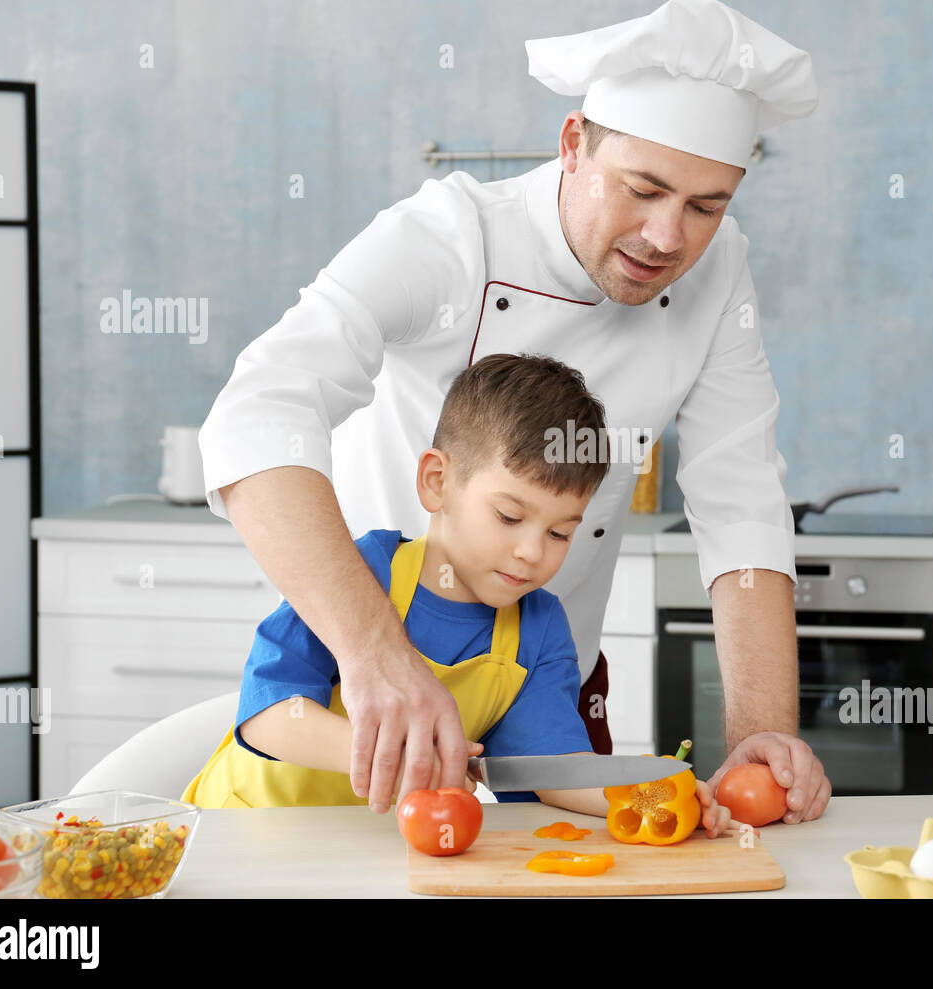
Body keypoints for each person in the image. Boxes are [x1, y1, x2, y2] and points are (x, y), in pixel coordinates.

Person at [198, 0, 831, 821]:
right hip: (361, 663)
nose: (668, 236)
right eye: (643, 190)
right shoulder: (448, 238)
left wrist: (762, 739)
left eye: (708, 206)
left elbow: (741, 503)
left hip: (543, 687)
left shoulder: (720, 275)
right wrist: (376, 655)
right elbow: (257, 412)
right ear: (573, 145)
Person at [183, 354, 732, 833]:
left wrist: (650, 792)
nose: (532, 552)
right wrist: (404, 759)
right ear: (436, 481)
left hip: (365, 858)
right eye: (510, 516)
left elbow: (550, 772)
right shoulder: (358, 572)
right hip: (240, 833)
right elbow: (271, 718)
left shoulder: (538, 631)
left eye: (561, 532)